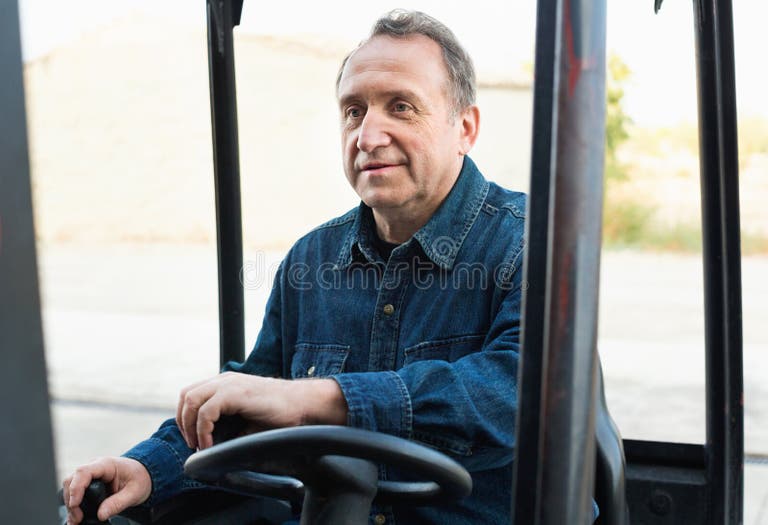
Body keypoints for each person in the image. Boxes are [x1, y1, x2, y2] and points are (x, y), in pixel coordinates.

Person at [64, 9, 529, 524]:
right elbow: (251, 397)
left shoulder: (532, 244)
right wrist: (148, 468)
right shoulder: (311, 260)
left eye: (401, 107)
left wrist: (314, 400)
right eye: (353, 111)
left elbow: (513, 397)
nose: (368, 136)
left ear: (465, 128)